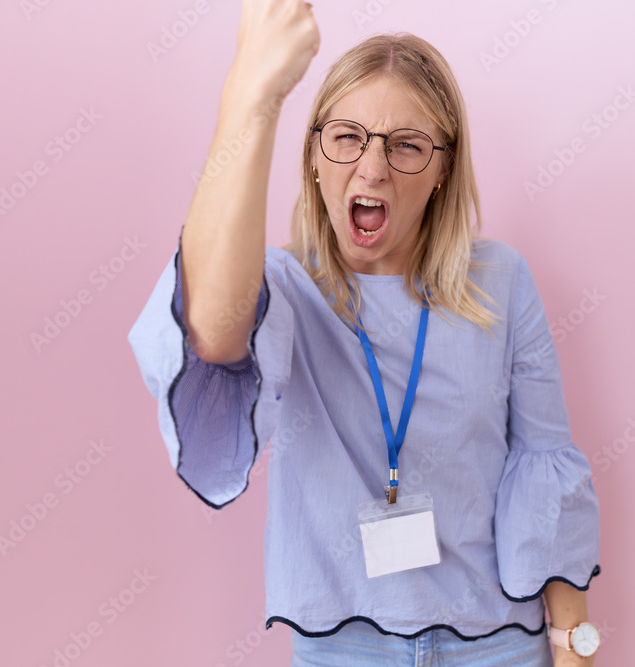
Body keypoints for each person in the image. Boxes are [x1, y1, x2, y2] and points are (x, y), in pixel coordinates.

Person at [128, 1, 601, 664]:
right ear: (315, 158)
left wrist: (575, 647)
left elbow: (544, 465)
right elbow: (210, 328)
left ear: (442, 171)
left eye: (406, 145)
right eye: (347, 137)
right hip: (344, 645)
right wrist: (253, 91)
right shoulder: (282, 290)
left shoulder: (502, 279)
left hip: (496, 643)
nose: (373, 168)